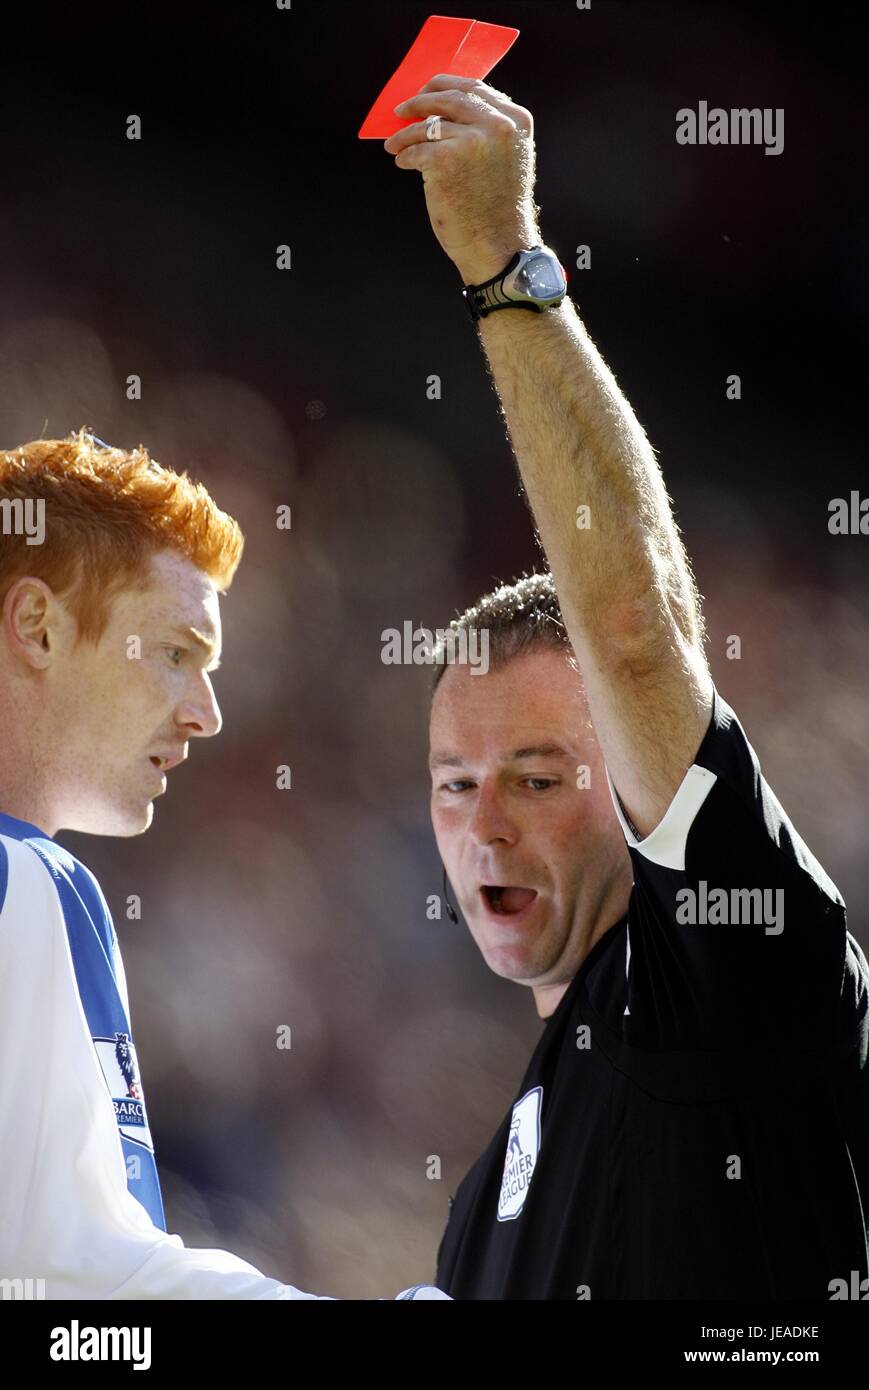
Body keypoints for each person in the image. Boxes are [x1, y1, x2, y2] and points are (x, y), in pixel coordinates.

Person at [384, 77, 869, 1298]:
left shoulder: (730, 968)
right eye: (455, 783)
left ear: (637, 789)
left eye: (538, 776)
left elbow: (630, 626)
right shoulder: (487, 1197)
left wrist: (505, 265)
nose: (482, 823)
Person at [0, 430, 447, 1301]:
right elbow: (85, 1294)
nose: (206, 714)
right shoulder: (27, 881)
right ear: (36, 628)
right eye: (174, 653)